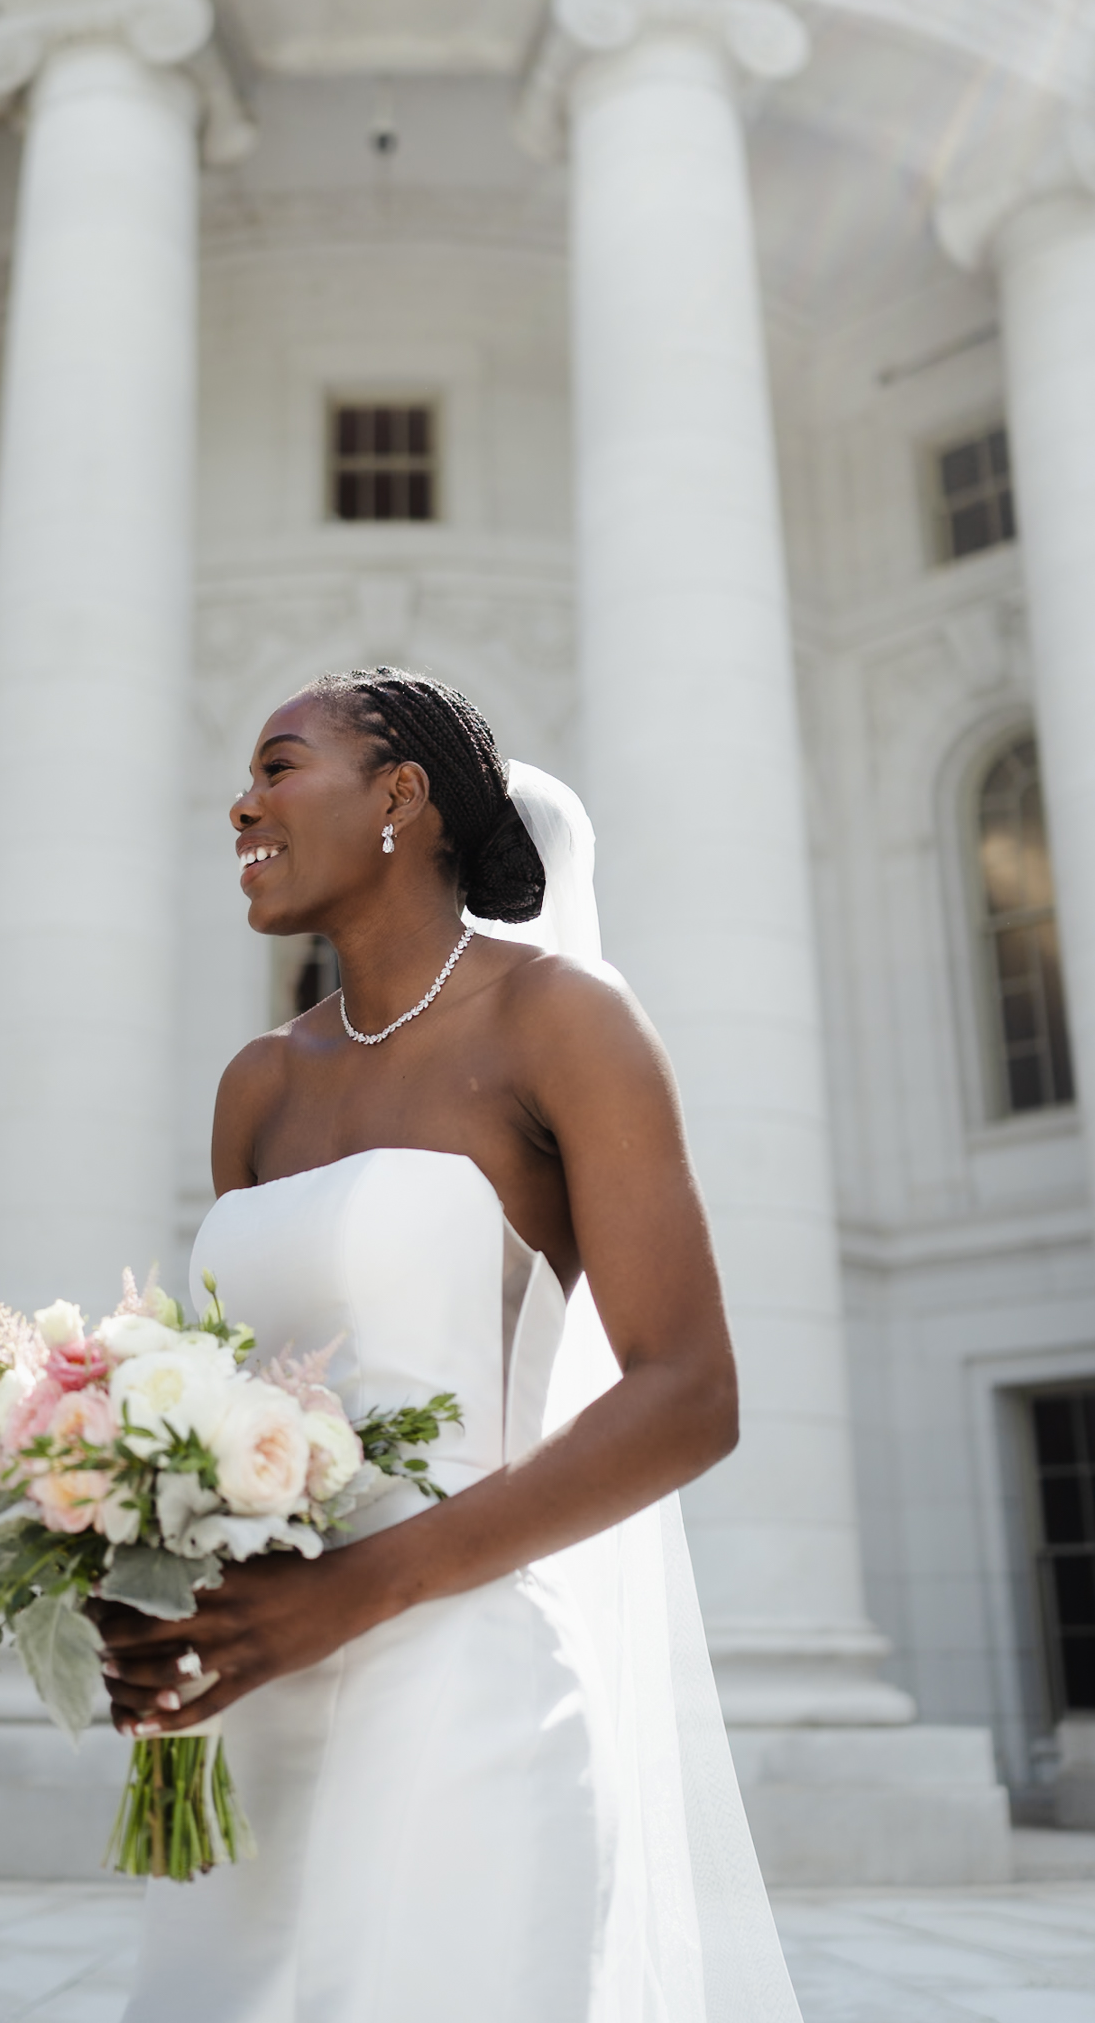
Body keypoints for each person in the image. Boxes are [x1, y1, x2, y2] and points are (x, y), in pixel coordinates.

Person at [92, 668, 802, 2023]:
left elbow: (688, 1393)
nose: (241, 802)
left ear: (401, 799)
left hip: (463, 1691)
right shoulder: (260, 1082)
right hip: (254, 1704)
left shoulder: (562, 1022)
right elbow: (221, 1403)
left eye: (280, 765)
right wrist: (132, 1579)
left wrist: (358, 1591)